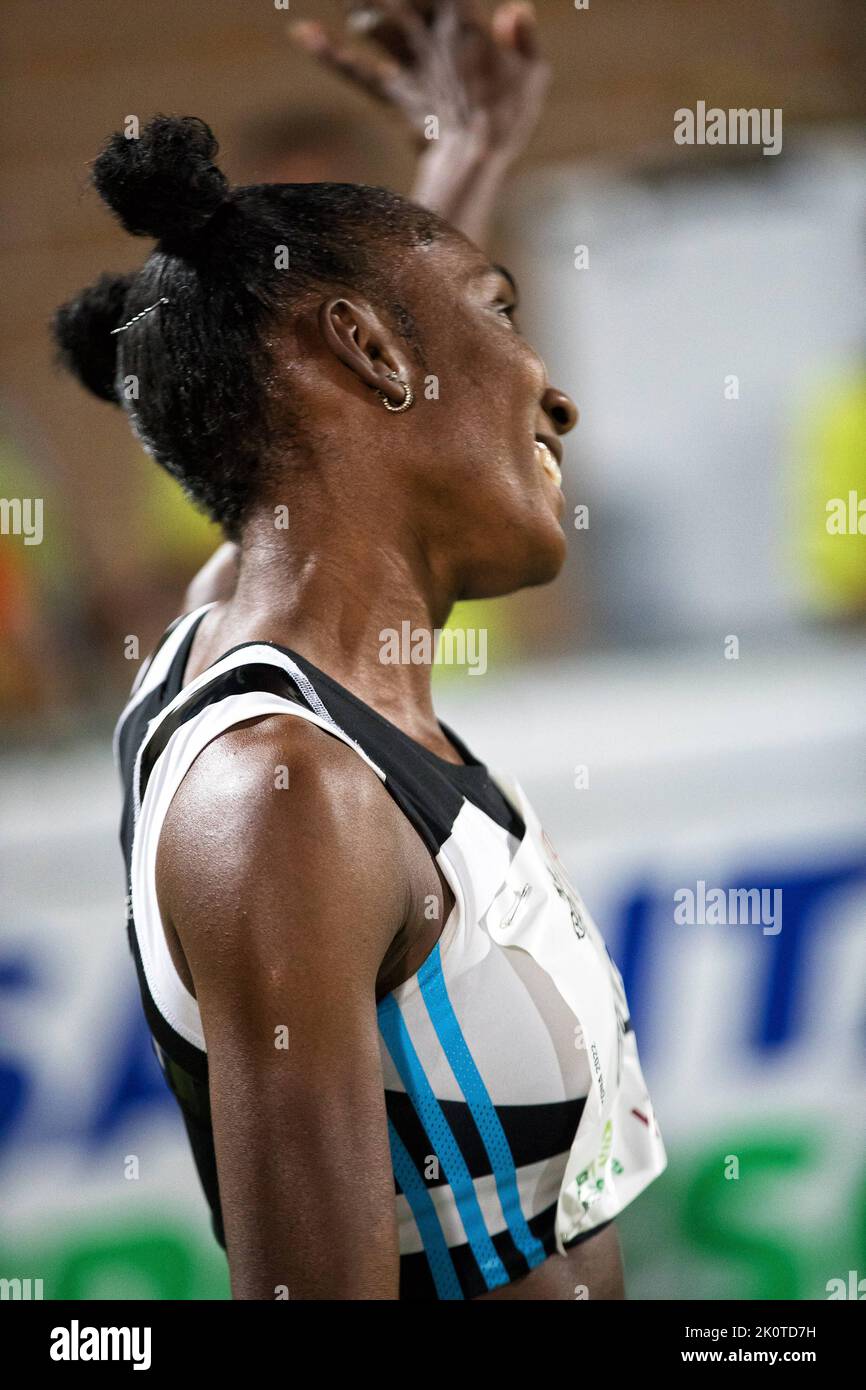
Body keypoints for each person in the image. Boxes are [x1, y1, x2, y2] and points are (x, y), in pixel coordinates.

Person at [52, 42, 666, 1313]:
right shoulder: (286, 794)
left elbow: (326, 390)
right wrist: (433, 286)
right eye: (506, 314)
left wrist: (468, 152)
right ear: (371, 355)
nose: (552, 397)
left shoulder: (235, 632)